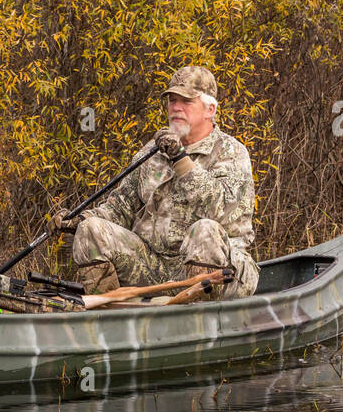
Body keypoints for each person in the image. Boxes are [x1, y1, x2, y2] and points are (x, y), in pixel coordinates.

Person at [53, 66, 259, 300]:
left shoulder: (230, 152)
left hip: (222, 272)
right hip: (154, 267)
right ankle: (109, 320)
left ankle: (200, 322)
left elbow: (221, 211)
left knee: (205, 230)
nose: (176, 108)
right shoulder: (151, 153)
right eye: (172, 100)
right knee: (92, 230)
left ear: (209, 109)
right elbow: (119, 209)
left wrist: (181, 160)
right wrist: (81, 219)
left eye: (186, 101)